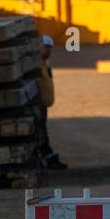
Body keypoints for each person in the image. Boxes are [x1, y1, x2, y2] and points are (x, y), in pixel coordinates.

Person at [36, 34, 67, 169]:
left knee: (43, 130)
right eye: (46, 47)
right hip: (37, 105)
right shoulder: (35, 64)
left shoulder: (45, 64)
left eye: (50, 48)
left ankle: (47, 157)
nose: (48, 50)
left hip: (44, 104)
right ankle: (47, 158)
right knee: (40, 132)